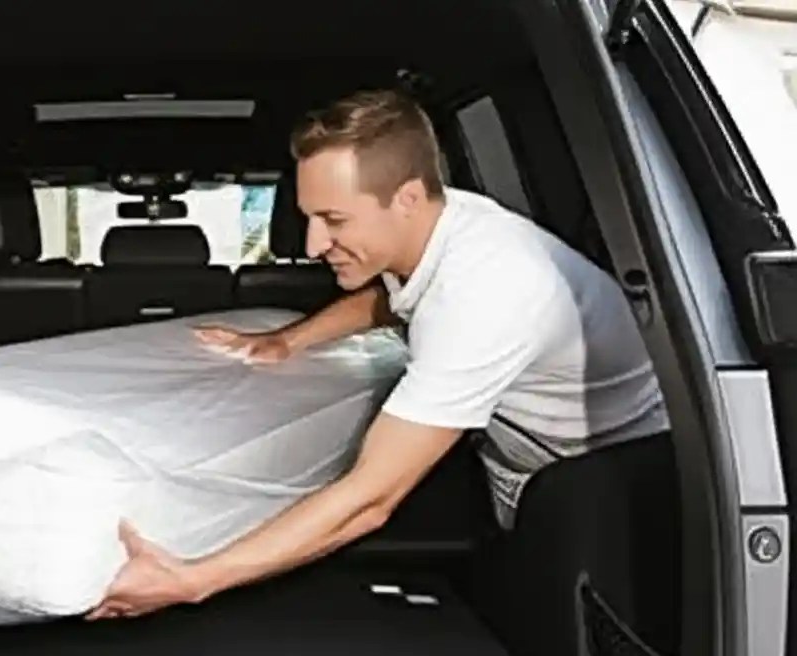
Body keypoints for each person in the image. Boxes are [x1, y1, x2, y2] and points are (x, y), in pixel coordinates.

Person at [85, 89, 669, 621]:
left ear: (407, 198)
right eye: (309, 218)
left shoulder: (490, 290)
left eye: (334, 221)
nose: (313, 245)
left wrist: (194, 579)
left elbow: (371, 498)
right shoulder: (439, 225)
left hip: (607, 482)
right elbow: (395, 299)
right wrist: (291, 340)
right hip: (529, 461)